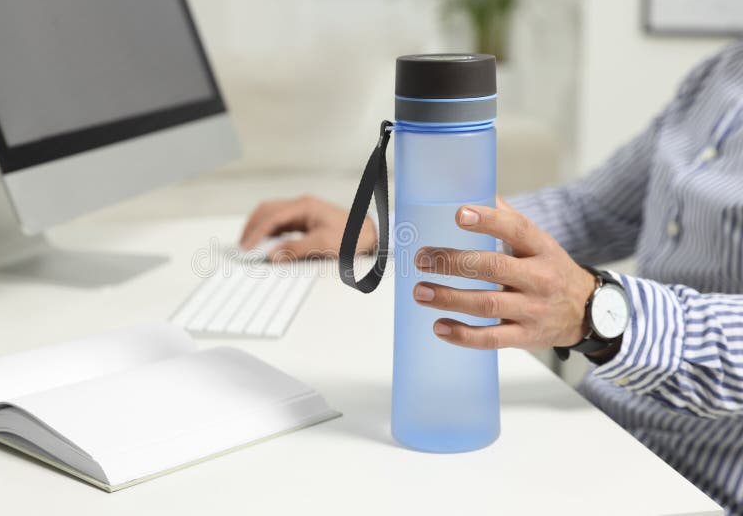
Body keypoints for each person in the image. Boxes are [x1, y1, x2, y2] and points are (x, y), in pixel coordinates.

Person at [239, 42, 743, 513]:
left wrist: (598, 312)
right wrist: (387, 232)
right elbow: (591, 211)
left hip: (699, 480)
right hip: (601, 422)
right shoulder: (717, 76)